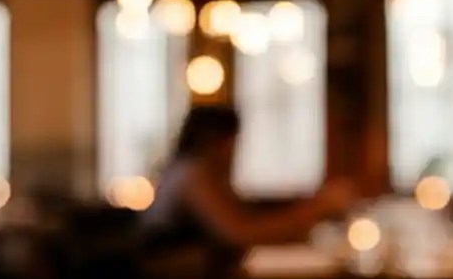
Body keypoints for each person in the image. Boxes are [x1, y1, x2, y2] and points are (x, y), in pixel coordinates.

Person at [142, 105, 354, 249]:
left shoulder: (196, 171)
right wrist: (315, 209)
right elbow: (239, 233)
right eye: (231, 142)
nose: (234, 151)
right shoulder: (192, 174)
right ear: (213, 139)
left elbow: (245, 217)